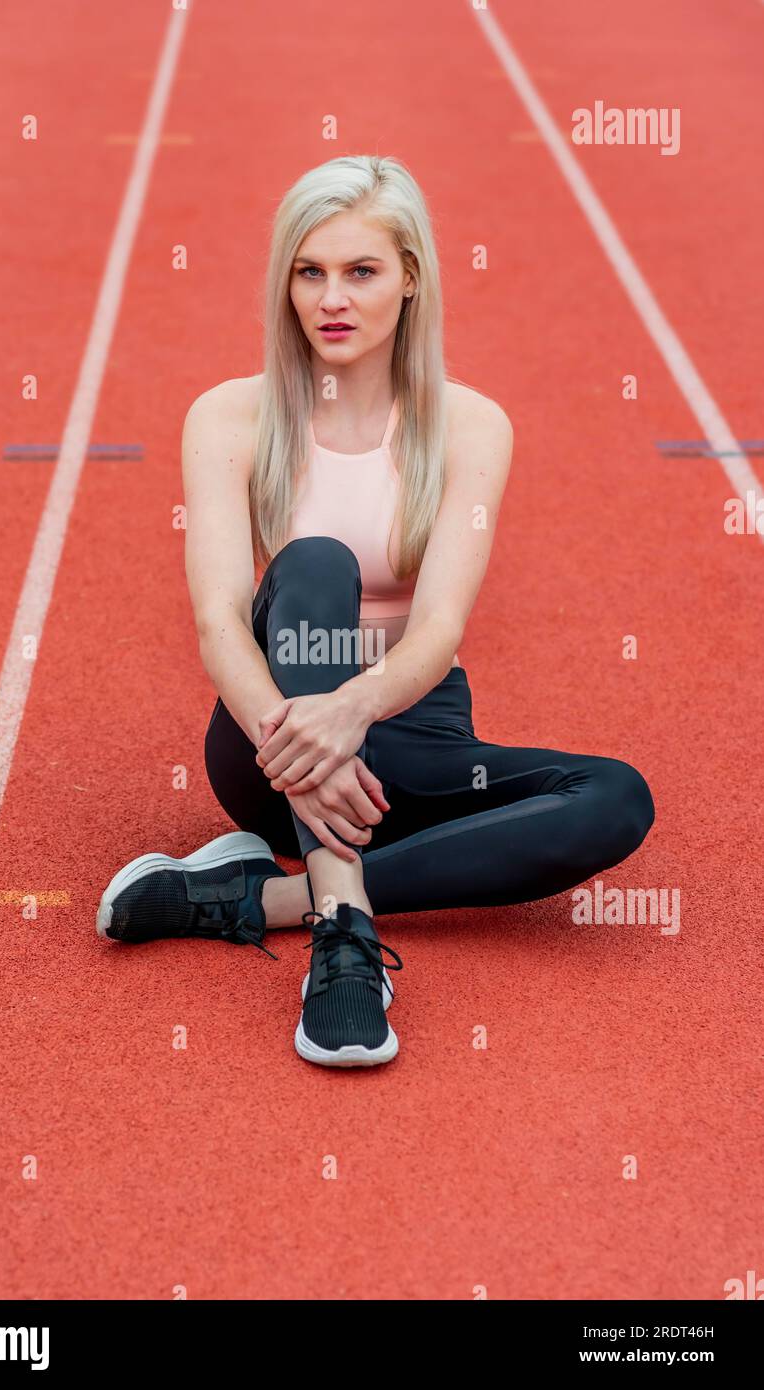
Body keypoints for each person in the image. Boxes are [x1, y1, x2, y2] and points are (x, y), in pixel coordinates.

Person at [95, 155, 655, 1071]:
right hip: (270, 741)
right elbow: (218, 620)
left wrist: (353, 712)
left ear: (411, 279)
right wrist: (303, 735)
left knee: (617, 798)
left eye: (361, 272)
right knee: (315, 565)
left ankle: (259, 898)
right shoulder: (230, 417)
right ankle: (345, 944)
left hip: (404, 738)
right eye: (310, 272)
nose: (332, 299)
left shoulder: (471, 427)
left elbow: (436, 633)